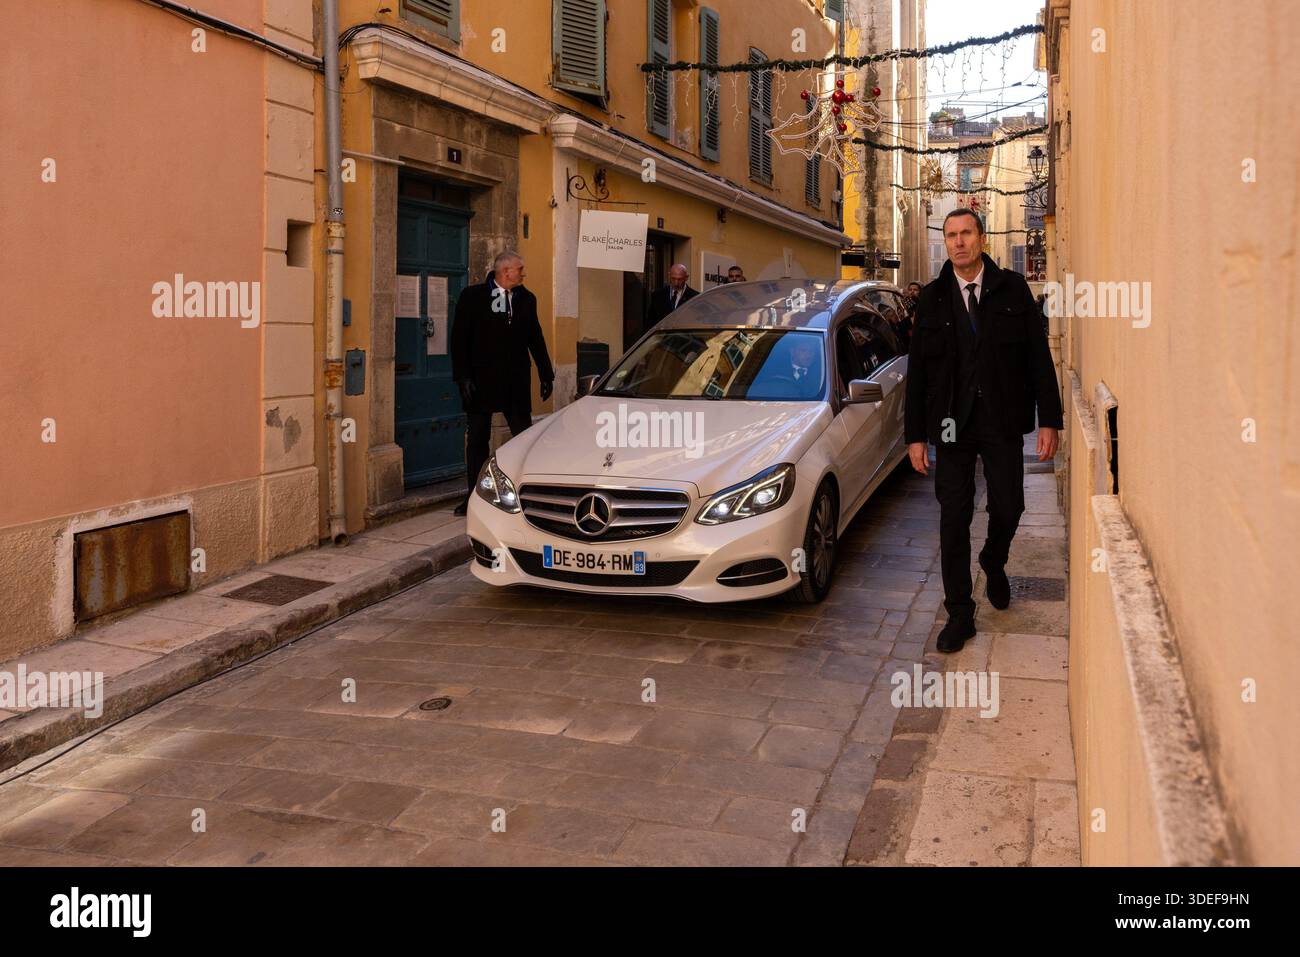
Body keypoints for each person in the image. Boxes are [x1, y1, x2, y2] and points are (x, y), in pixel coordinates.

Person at [904, 209, 1062, 652]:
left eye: (966, 233)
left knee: (1009, 505)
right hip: (952, 423)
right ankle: (960, 612)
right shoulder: (932, 298)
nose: (958, 242)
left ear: (981, 238)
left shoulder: (1011, 288)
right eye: (951, 235)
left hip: (1002, 418)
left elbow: (1037, 357)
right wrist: (915, 435)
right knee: (953, 516)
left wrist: (1050, 418)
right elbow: (917, 374)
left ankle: (994, 559)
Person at [450, 250, 554, 516]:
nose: (523, 273)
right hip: (480, 382)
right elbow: (459, 340)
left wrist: (546, 374)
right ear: (506, 271)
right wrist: (462, 377)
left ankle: (524, 494)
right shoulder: (473, 297)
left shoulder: (527, 299)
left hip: (515, 382)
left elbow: (536, 337)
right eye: (520, 269)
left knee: (523, 437)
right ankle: (472, 496)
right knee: (477, 440)